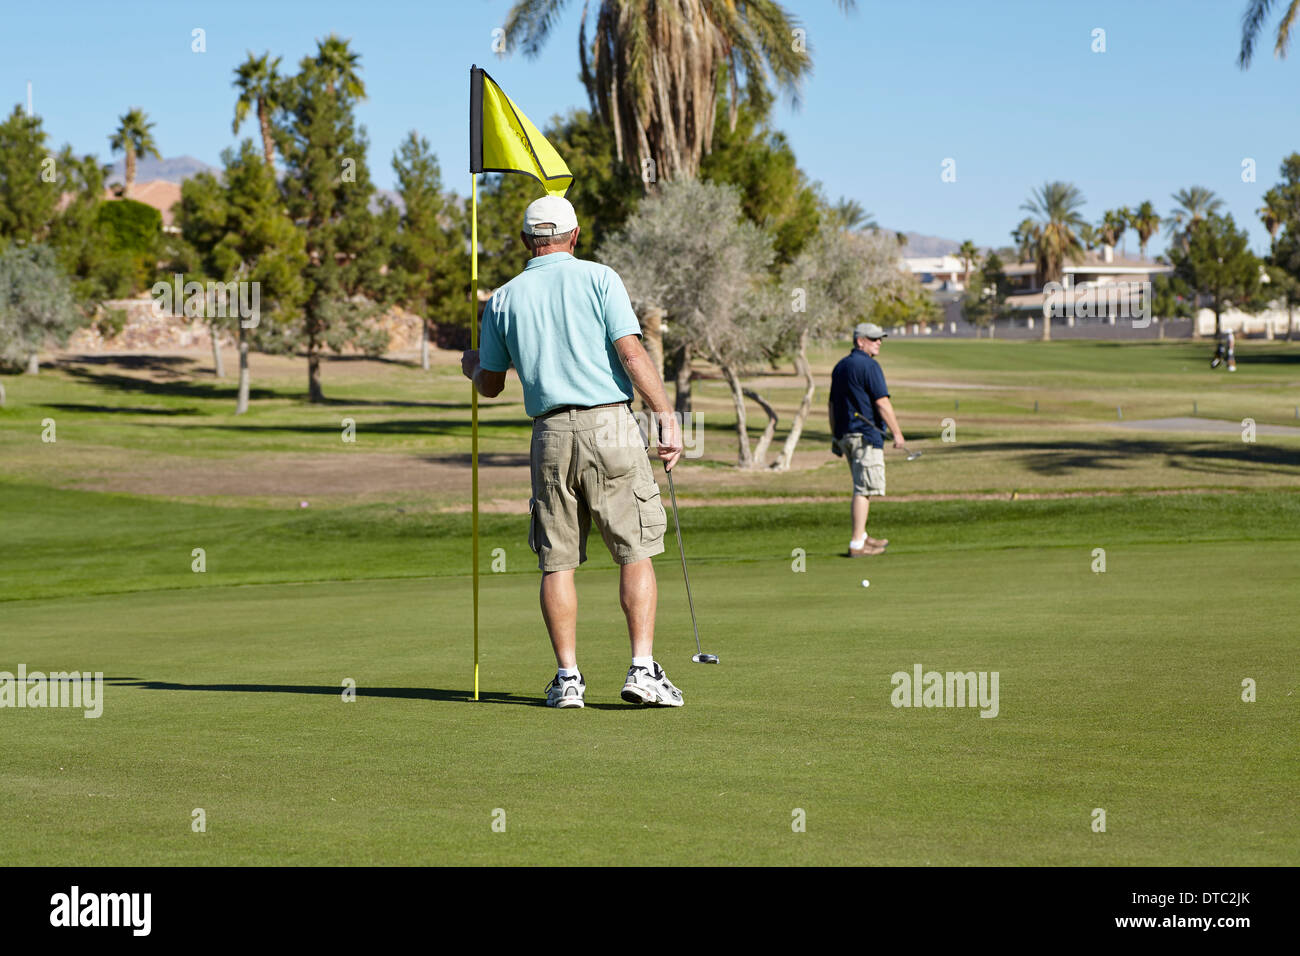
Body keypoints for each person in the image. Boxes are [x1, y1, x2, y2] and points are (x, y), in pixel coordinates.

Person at [460, 195, 686, 710]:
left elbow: (491, 385)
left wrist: (471, 367)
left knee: (557, 560)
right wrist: (666, 415)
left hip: (549, 436)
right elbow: (630, 352)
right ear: (575, 235)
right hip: (610, 425)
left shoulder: (502, 299)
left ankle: (568, 680)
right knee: (634, 548)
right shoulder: (600, 277)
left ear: (525, 242)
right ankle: (642, 670)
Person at [828, 322, 905, 557]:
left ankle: (862, 536)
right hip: (865, 437)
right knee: (863, 488)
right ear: (860, 341)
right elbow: (882, 402)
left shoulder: (840, 366)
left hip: (846, 435)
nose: (878, 342)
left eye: (880, 338)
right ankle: (856, 544)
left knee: (864, 486)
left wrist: (835, 436)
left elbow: (831, 405)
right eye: (873, 339)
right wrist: (897, 433)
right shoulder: (870, 366)